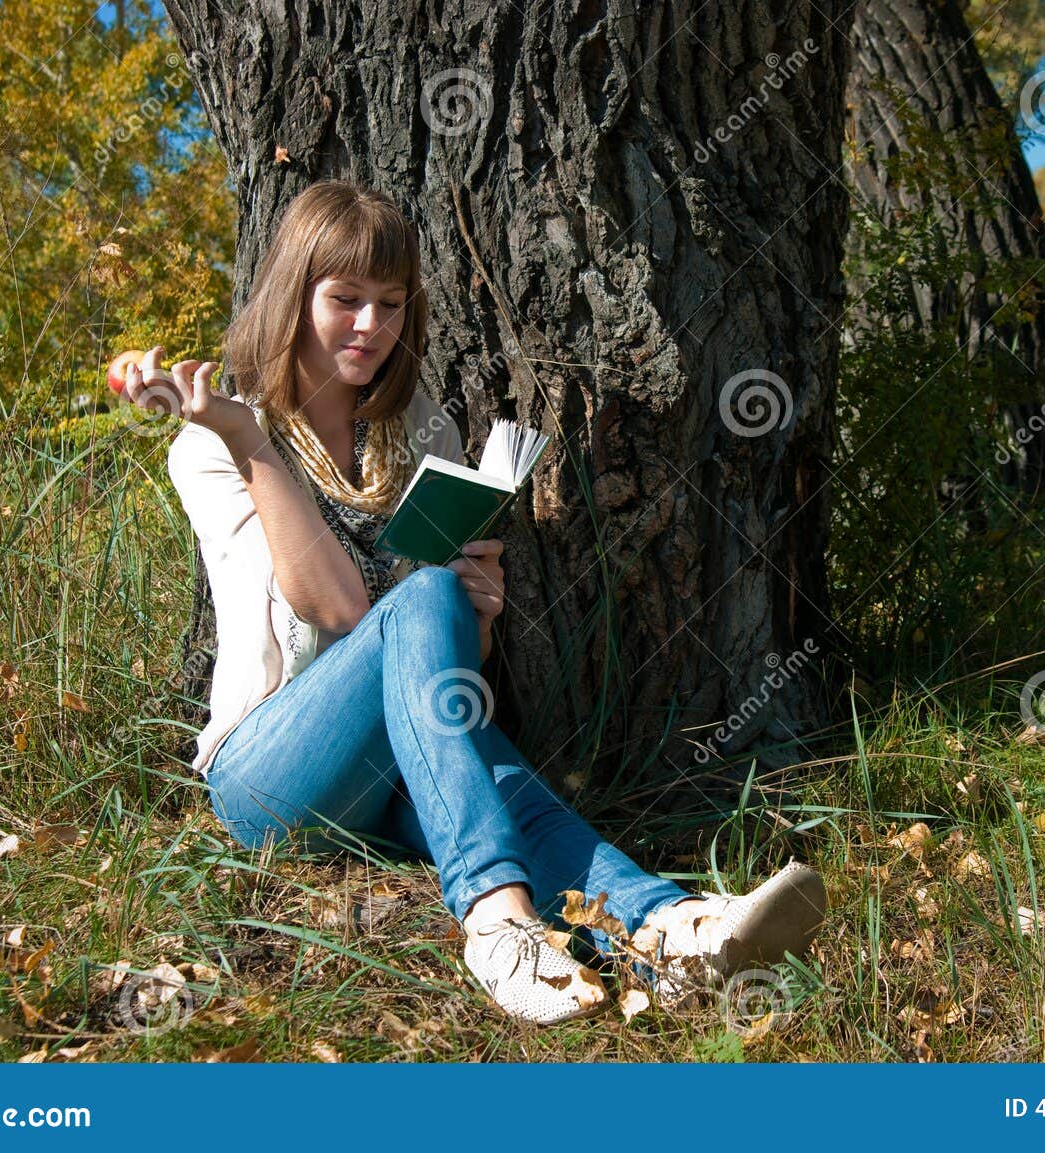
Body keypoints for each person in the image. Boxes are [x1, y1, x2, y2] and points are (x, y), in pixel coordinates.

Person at [123, 179, 825, 1025]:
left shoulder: (422, 430)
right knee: (423, 604)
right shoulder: (218, 439)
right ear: (291, 297)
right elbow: (338, 611)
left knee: (495, 773)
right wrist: (246, 438)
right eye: (344, 300)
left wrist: (479, 617)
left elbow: (443, 685)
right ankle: (497, 920)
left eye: (389, 304)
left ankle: (674, 928)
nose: (369, 328)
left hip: (392, 784)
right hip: (272, 777)